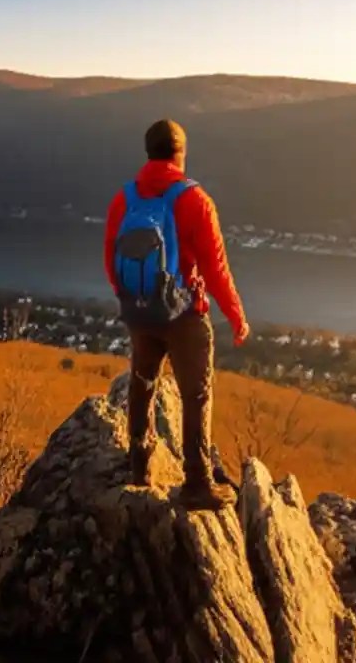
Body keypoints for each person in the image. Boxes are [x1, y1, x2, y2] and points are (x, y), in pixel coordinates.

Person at [104, 119, 250, 510]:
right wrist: (236, 316)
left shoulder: (125, 198)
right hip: (184, 315)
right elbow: (216, 268)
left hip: (140, 309)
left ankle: (139, 465)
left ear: (148, 151)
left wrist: (132, 298)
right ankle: (197, 482)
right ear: (180, 153)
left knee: (143, 381)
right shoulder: (194, 199)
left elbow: (110, 260)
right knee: (196, 395)